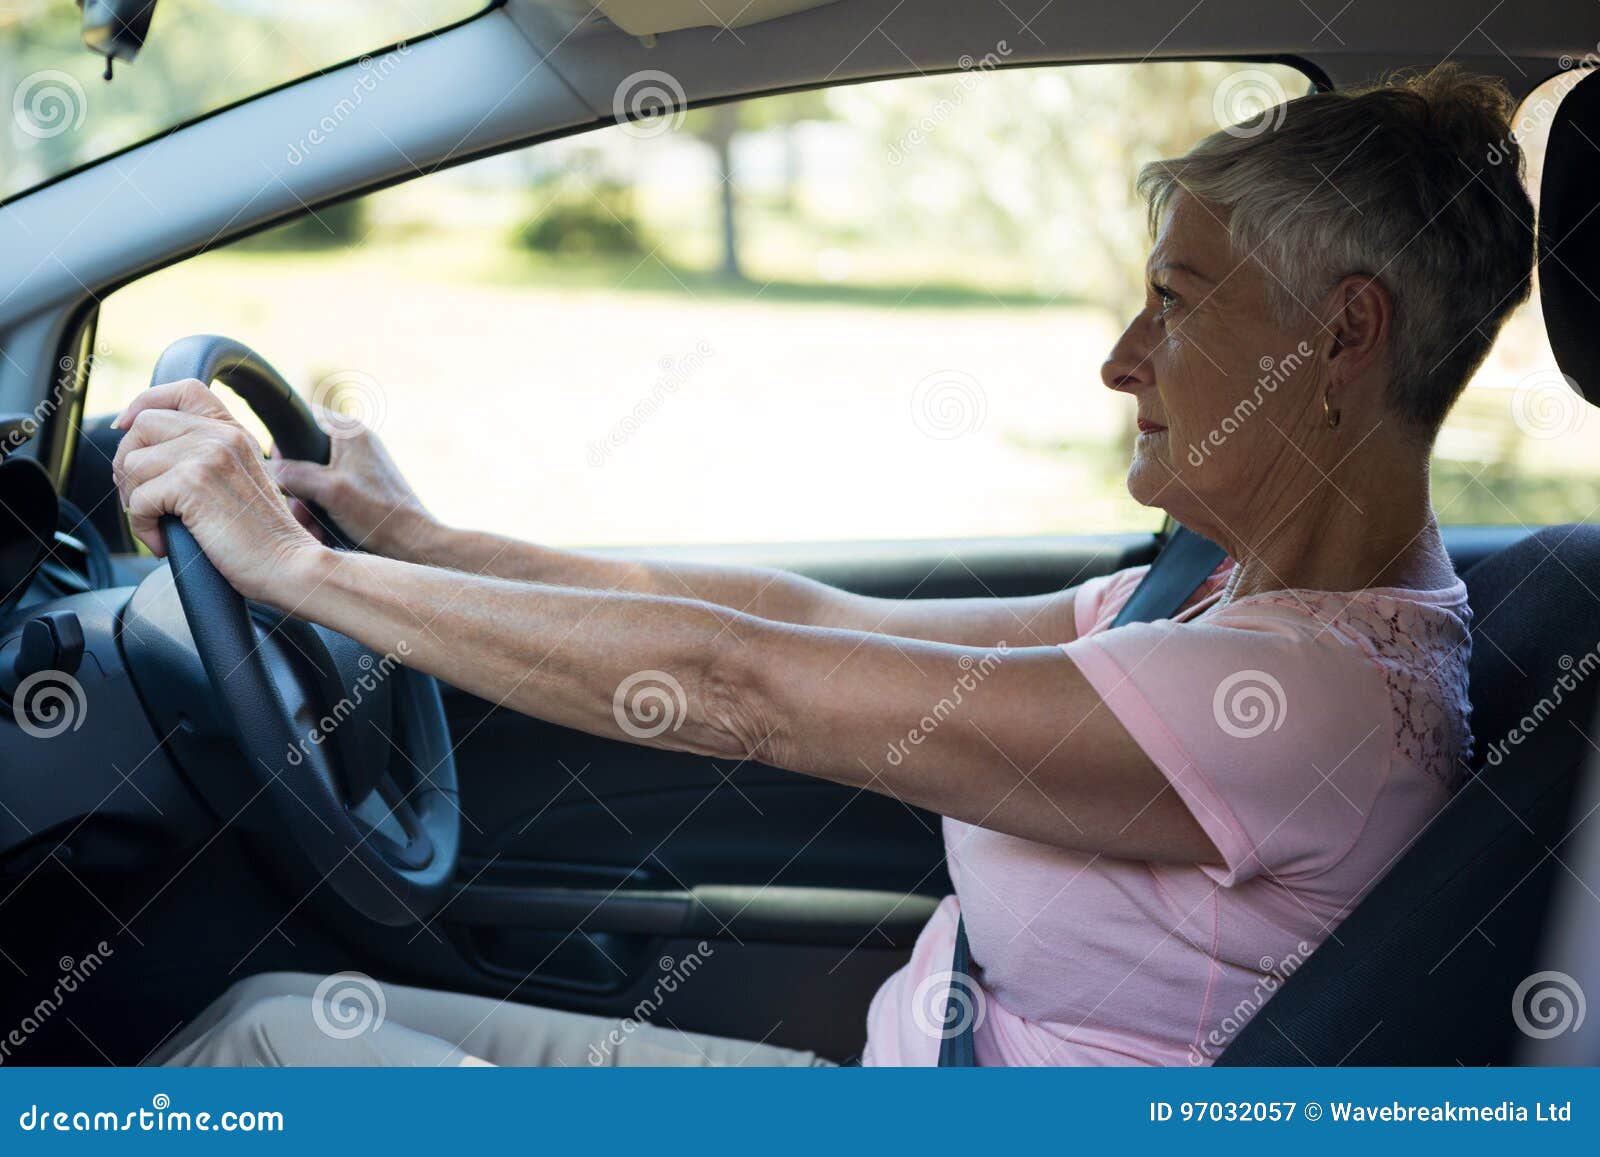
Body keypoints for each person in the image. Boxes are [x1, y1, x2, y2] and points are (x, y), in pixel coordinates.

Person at [122, 64, 1531, 1067]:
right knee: (277, 1017)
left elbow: (747, 687)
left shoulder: (1297, 699)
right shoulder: (1222, 593)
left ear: (1342, 336)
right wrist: (425, 542)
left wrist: (298, 576)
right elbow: (797, 620)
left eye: (1174, 301)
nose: (1121, 359)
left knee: (262, 1057)